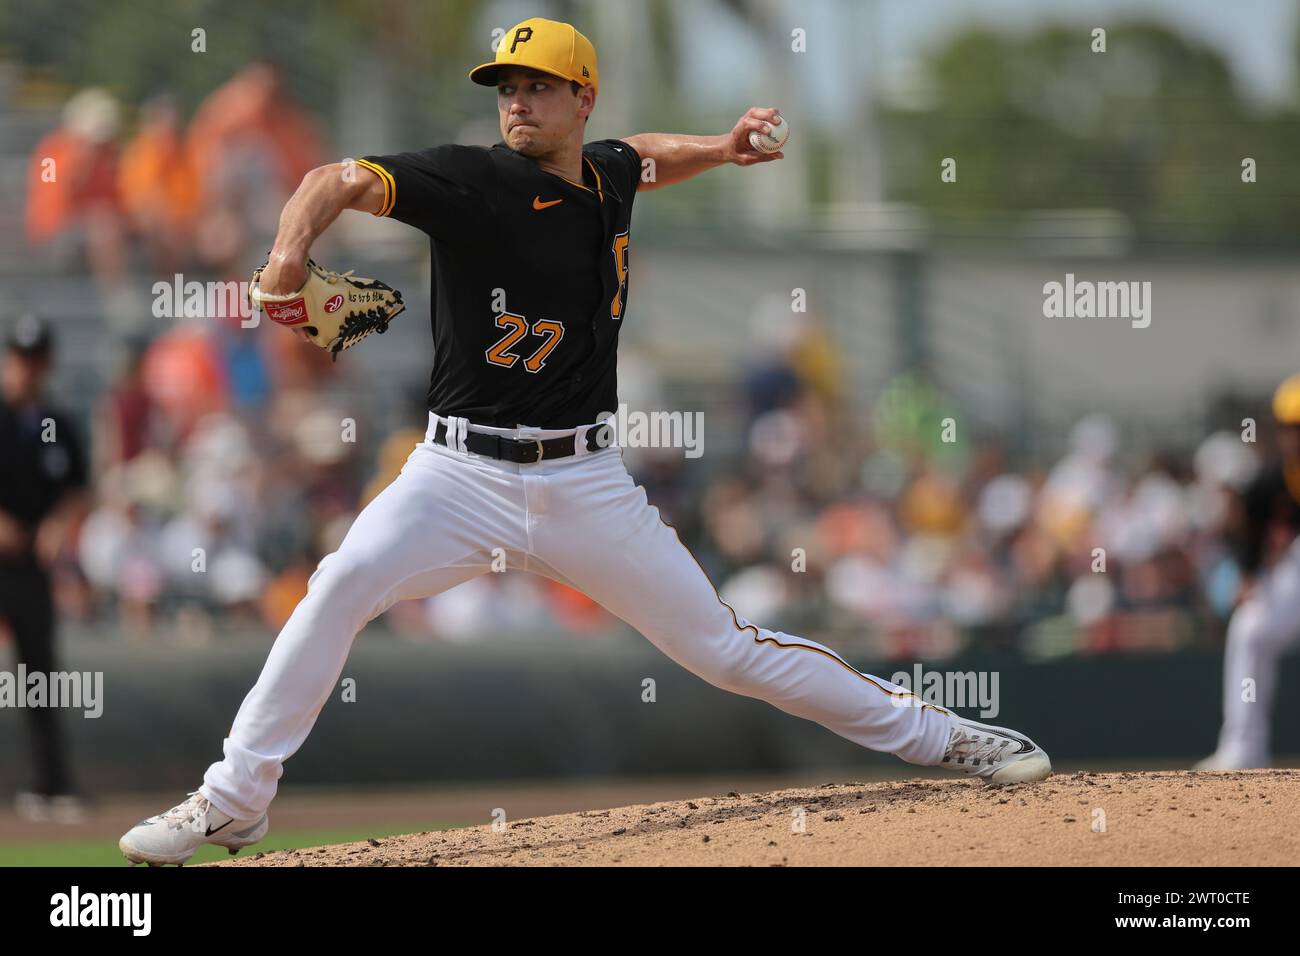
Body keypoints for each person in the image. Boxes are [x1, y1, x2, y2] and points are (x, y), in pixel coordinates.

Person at [119, 18, 1051, 866]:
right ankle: (234, 800)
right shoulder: (472, 180)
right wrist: (287, 253)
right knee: (338, 588)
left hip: (585, 480)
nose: (515, 100)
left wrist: (721, 149)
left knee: (724, 651)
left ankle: (943, 738)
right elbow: (338, 179)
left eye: (535, 85)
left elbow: (643, 156)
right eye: (506, 86)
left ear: (582, 99)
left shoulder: (603, 172)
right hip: (457, 473)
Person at [0, 314, 89, 822]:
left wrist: (58, 524)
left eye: (35, 359)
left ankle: (50, 786)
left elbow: (78, 487)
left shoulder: (57, 423)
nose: (26, 369)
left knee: (40, 676)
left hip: (31, 567)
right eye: (19, 357)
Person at [1196, 373, 1300, 770]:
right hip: (1293, 578)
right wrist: (1248, 575)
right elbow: (1253, 539)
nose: (1295, 437)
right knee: (1250, 627)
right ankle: (1243, 748)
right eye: (1289, 427)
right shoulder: (1270, 480)